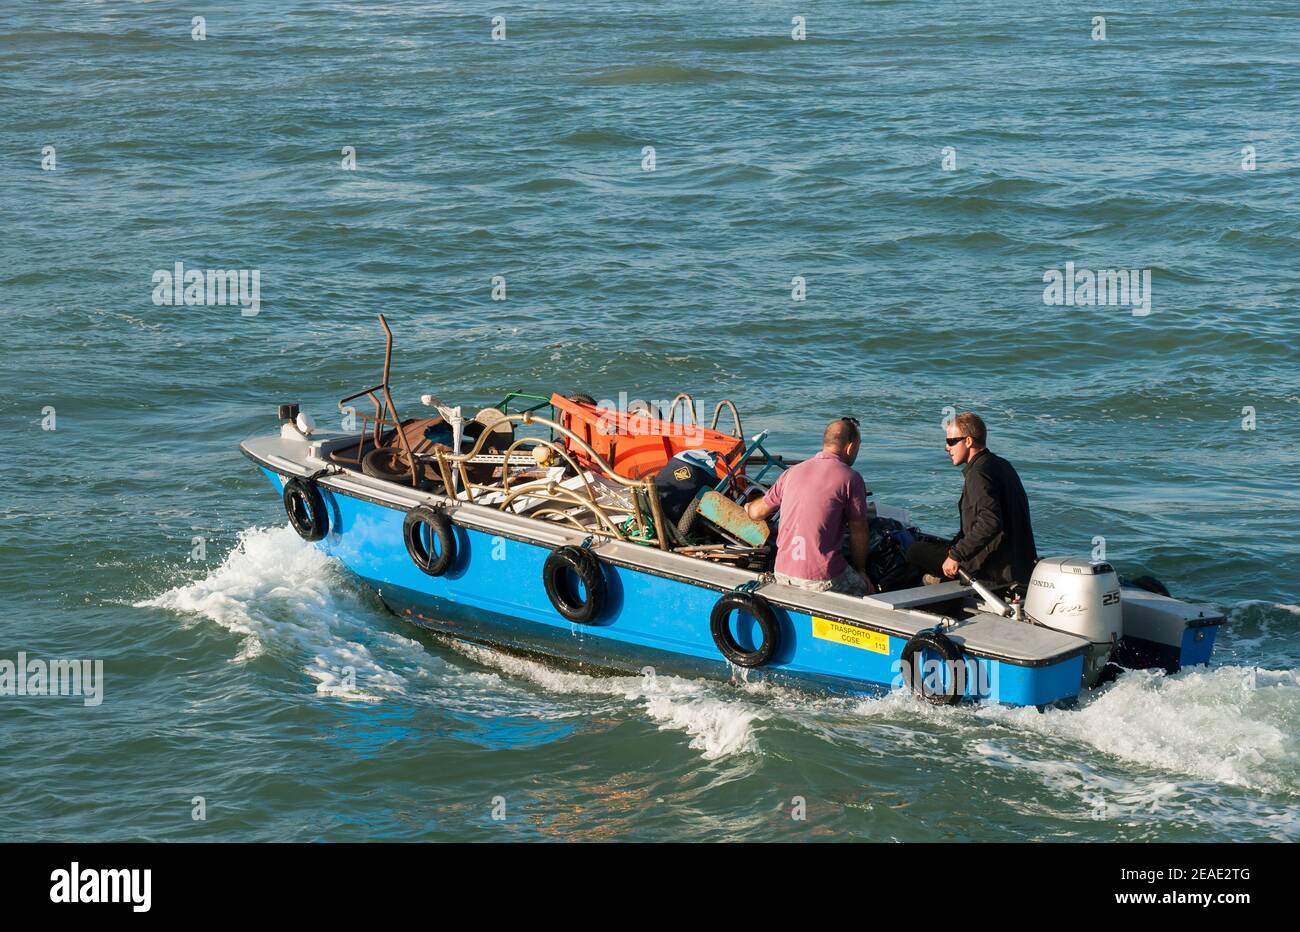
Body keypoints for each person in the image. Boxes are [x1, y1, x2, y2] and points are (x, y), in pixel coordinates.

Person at [905, 411, 1037, 591]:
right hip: (1019, 565)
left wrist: (956, 555)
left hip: (993, 570)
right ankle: (938, 581)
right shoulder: (1001, 465)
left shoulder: (978, 473)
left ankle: (932, 588)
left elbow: (990, 522)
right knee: (935, 547)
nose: (946, 447)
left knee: (914, 550)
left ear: (968, 441)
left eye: (951, 441)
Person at [745, 418, 876, 596]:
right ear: (850, 447)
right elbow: (859, 531)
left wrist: (747, 506)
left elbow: (756, 512)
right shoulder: (851, 478)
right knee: (867, 588)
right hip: (821, 579)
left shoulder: (791, 473)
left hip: (783, 572)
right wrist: (861, 570)